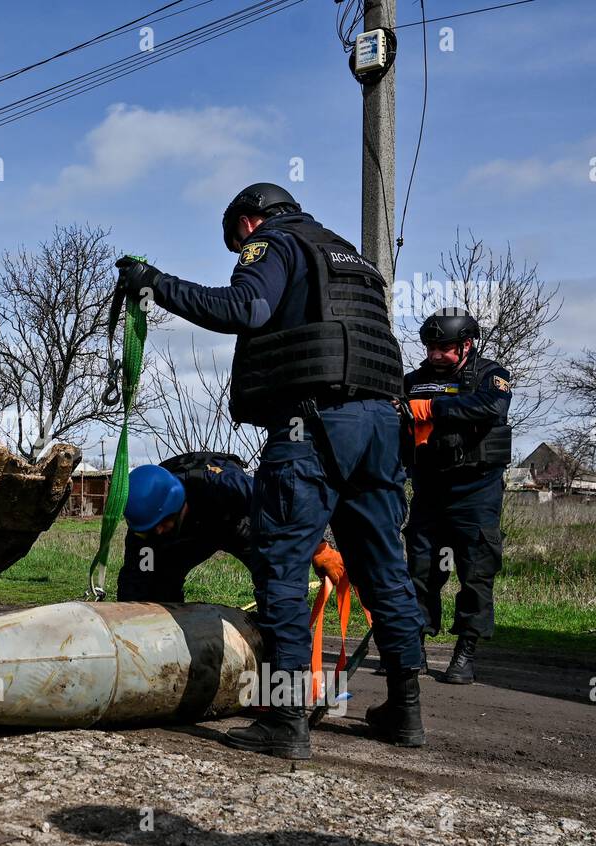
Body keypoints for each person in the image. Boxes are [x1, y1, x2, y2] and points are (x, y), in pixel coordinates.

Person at [115, 182, 425, 759]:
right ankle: (405, 711)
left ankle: (286, 721)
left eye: (237, 242)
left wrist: (154, 284)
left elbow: (243, 308)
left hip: (314, 425)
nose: (240, 255)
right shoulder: (349, 258)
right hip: (382, 426)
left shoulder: (275, 244)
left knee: (280, 567)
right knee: (383, 565)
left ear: (250, 221)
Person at [399, 307, 511, 685]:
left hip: (476, 491)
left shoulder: (490, 376)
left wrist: (433, 407)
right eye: (430, 348)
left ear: (466, 345)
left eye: (443, 348)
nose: (434, 355)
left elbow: (489, 409)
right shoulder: (414, 381)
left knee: (475, 572)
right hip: (430, 488)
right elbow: (393, 415)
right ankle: (415, 649)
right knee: (420, 570)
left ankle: (466, 651)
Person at [118, 452, 255, 601]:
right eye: (152, 528)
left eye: (162, 523)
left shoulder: (222, 485)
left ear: (175, 506)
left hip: (229, 522)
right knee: (154, 582)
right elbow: (136, 578)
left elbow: (270, 498)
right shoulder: (145, 529)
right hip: (185, 535)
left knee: (274, 574)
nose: (158, 530)